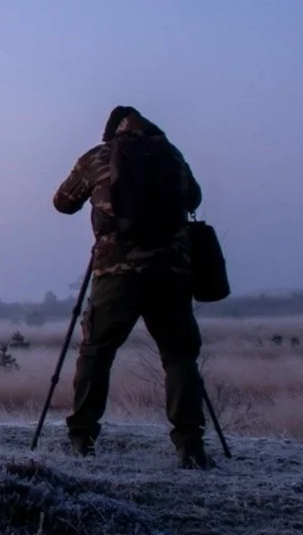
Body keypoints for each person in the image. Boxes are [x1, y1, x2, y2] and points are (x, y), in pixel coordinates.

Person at [53, 105, 215, 469]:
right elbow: (194, 199)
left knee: (96, 351)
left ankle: (82, 438)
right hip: (171, 273)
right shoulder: (171, 154)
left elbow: (62, 203)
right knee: (179, 356)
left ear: (112, 132)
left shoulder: (98, 157)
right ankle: (190, 445)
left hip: (115, 272)